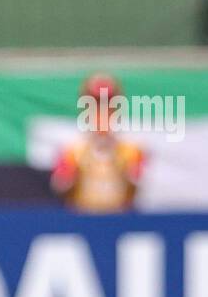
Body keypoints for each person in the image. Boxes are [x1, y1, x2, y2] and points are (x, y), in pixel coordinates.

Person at [52, 72, 145, 213]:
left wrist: (114, 153)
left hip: (119, 222)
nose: (102, 111)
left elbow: (137, 185)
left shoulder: (131, 150)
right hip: (83, 221)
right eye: (95, 105)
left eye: (108, 105)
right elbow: (60, 185)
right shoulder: (72, 150)